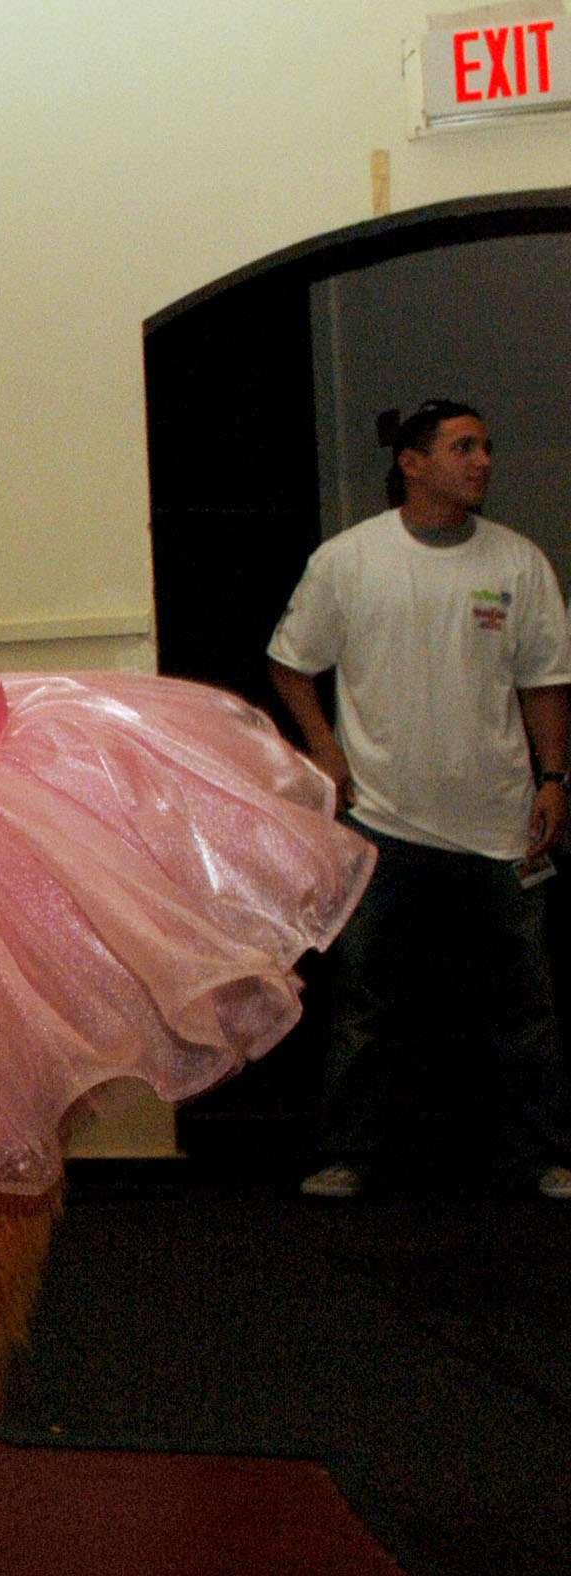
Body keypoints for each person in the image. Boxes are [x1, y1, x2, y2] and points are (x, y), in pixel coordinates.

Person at [269, 399, 571, 1201]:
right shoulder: (349, 559)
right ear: (412, 462)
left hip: (500, 820)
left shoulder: (518, 563)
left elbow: (545, 683)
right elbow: (290, 664)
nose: (483, 462)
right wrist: (325, 751)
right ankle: (348, 1155)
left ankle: (543, 1156)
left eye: (487, 447)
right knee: (364, 1001)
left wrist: (554, 779)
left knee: (525, 1006)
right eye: (464, 447)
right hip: (380, 818)